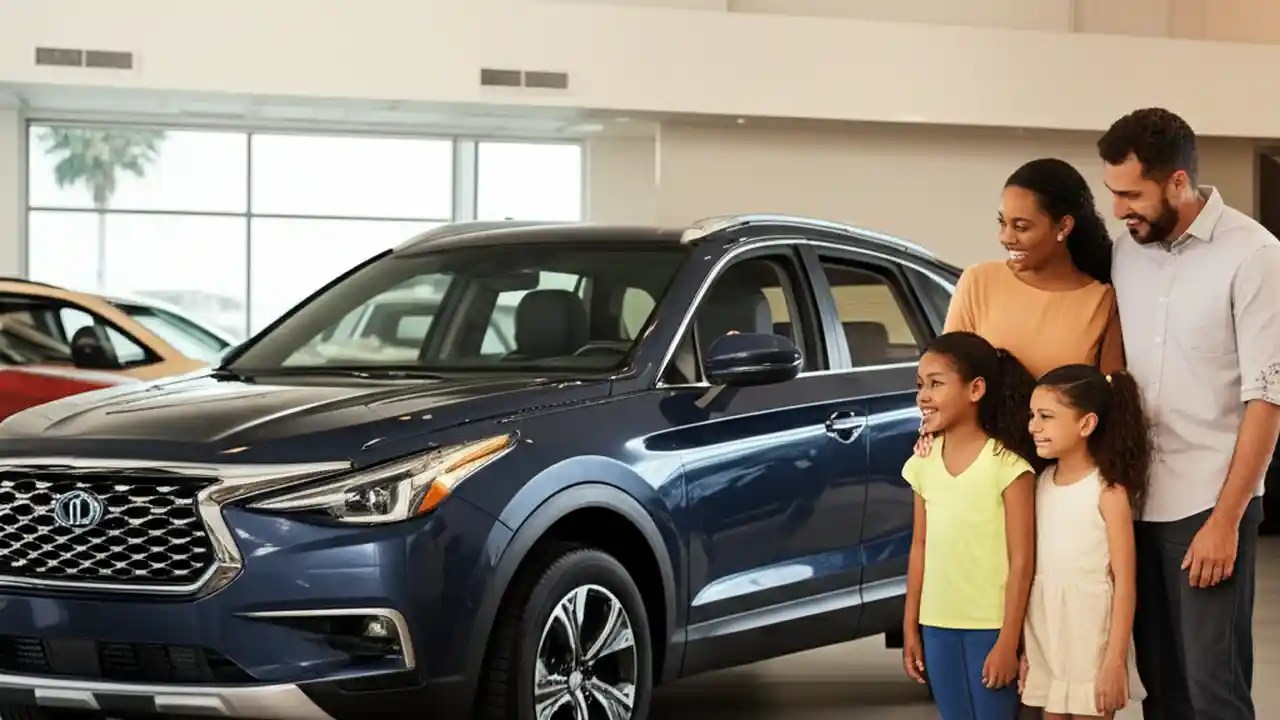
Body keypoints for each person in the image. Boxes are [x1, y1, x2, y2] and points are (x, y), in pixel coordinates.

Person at [1099, 107, 1280, 719]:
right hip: (1139, 499)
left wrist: (1226, 521)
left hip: (1209, 501)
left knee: (1214, 690)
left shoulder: (1254, 255)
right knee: (1164, 690)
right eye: (1112, 194)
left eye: (1131, 194)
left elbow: (1267, 396)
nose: (1120, 209)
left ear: (1177, 182)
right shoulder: (1128, 254)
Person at [901, 331, 1039, 720]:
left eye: (936, 384)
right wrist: (910, 625)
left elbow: (1022, 561)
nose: (923, 396)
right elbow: (920, 546)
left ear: (976, 389)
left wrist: (1009, 641)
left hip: (991, 627)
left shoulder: (1009, 467)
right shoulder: (922, 464)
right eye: (920, 386)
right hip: (937, 624)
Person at [1019, 364, 1150, 719]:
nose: (1033, 426)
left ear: (1086, 424)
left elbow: (1124, 584)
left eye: (1046, 416)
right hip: (1047, 633)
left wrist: (1114, 661)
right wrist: (1027, 650)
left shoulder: (1107, 491)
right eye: (1032, 415)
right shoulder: (1040, 483)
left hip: (1091, 637)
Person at [945, 157, 1125, 380]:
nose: (1006, 237)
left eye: (1021, 227)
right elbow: (949, 381)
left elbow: (1112, 399)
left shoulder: (1101, 301)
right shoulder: (978, 282)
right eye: (1003, 223)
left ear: (1064, 226)